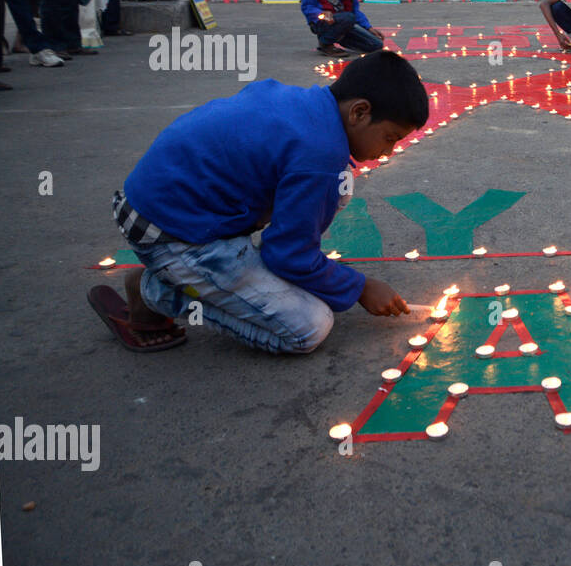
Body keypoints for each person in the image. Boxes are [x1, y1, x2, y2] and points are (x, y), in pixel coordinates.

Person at [89, 51, 427, 353]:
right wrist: (360, 287)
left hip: (164, 204)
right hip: (172, 234)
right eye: (390, 138)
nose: (389, 151)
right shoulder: (318, 154)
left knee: (338, 187)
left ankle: (192, 274)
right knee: (310, 326)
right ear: (359, 112)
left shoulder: (307, 106)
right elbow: (288, 255)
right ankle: (157, 291)